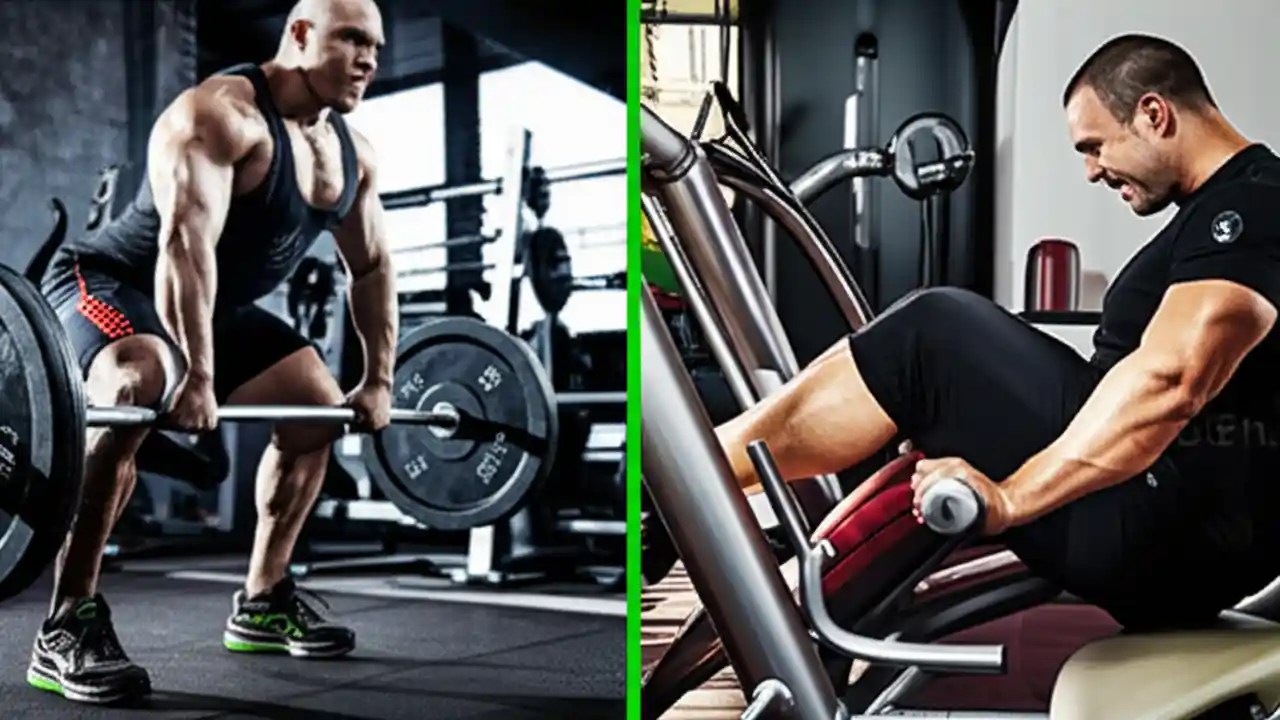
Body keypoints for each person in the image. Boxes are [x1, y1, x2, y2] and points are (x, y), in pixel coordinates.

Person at [716, 33, 1280, 631]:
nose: (1091, 171)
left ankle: (691, 478)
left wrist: (1010, 498)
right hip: (1159, 514)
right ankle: (701, 475)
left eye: (1095, 146)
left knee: (931, 332)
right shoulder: (1227, 209)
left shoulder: (1249, 209)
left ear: (1153, 114)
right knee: (922, 352)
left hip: (1164, 534)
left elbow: (1171, 380)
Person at [31, 0, 395, 705]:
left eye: (375, 44)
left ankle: (262, 598)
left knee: (320, 408)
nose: (368, 57)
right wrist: (196, 374)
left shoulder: (350, 154)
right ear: (298, 35)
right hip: (111, 279)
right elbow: (184, 246)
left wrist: (378, 377)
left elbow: (374, 267)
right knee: (139, 384)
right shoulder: (219, 115)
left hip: (212, 300)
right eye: (350, 38)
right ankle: (66, 621)